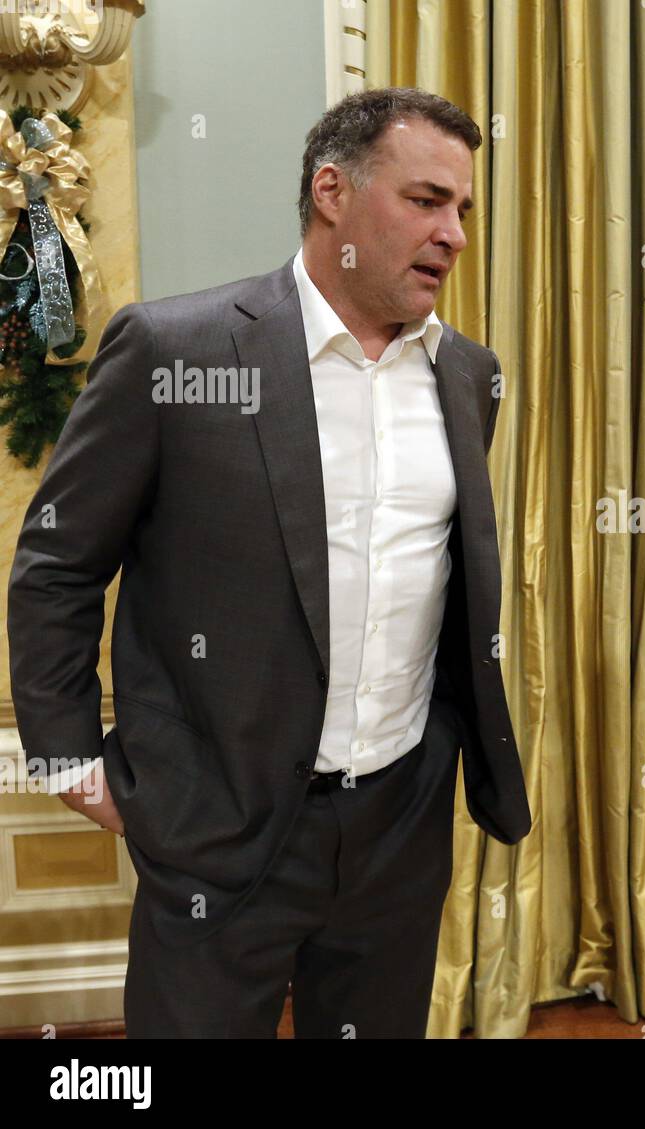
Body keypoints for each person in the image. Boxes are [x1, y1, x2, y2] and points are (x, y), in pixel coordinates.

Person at [7, 88, 530, 1038]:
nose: (453, 233)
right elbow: (56, 564)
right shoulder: (177, 350)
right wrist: (71, 758)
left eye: (463, 209)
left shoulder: (468, 375)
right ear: (332, 191)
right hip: (215, 827)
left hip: (400, 829)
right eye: (425, 200)